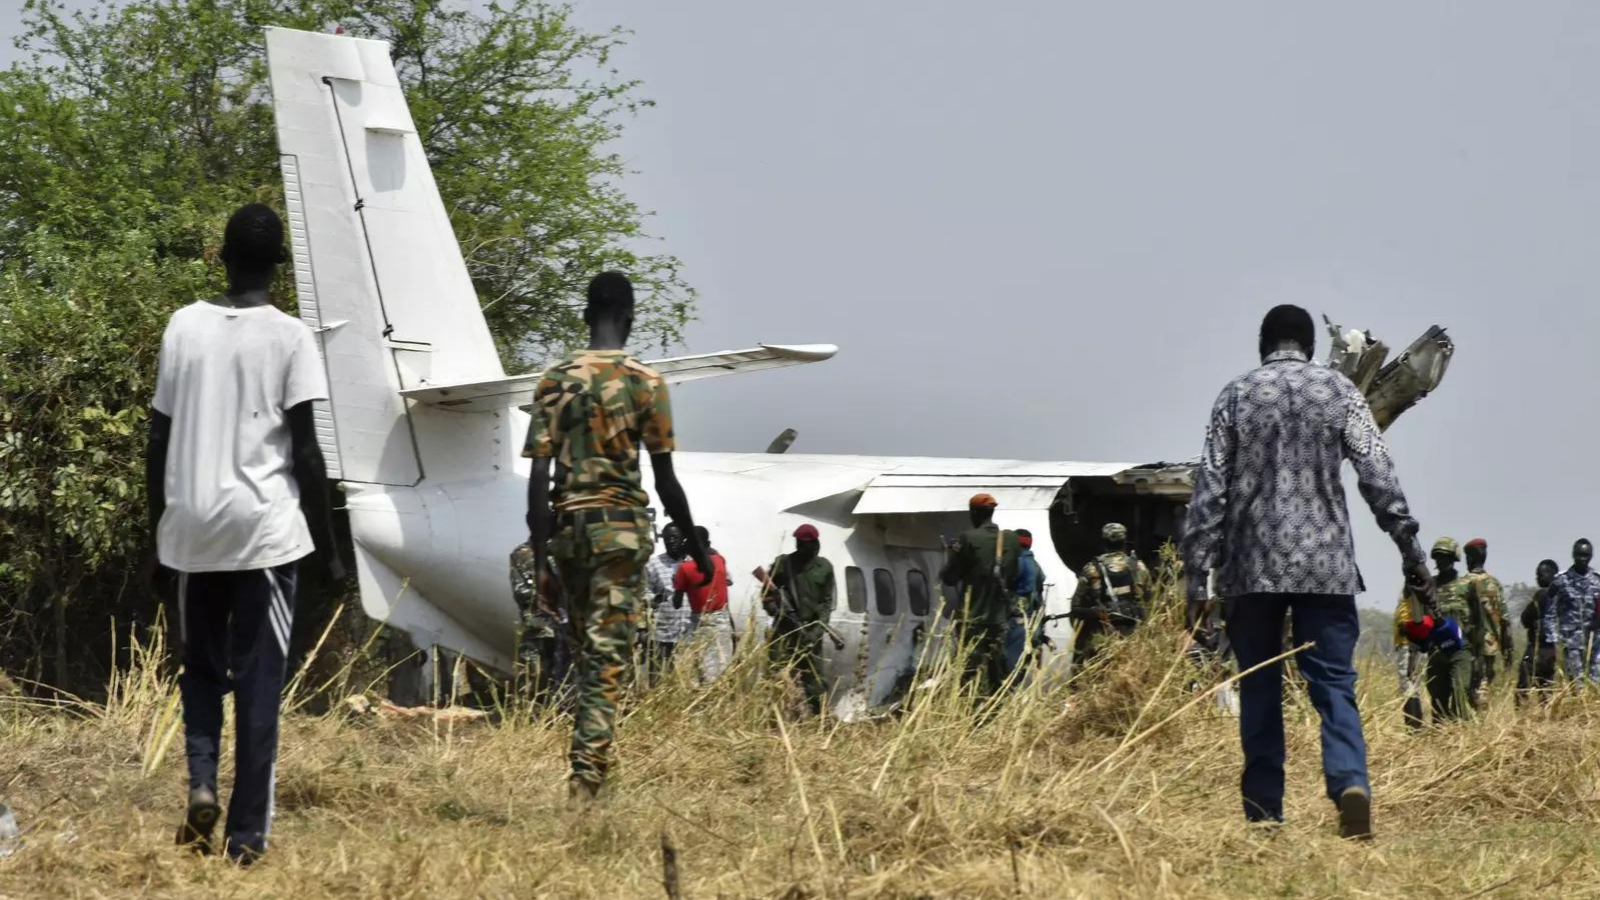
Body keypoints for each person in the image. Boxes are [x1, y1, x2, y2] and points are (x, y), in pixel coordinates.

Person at [1181, 304, 1431, 840]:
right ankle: (1349, 784)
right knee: (1334, 684)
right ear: (1311, 345)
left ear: (1263, 343)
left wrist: (1195, 576)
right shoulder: (1340, 392)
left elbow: (1209, 494)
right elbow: (1377, 473)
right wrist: (1410, 548)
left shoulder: (1236, 395)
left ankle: (1265, 813)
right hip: (1326, 566)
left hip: (1252, 569)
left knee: (1260, 687)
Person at [147, 204, 344, 863]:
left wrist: (160, 535)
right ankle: (244, 839)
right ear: (276, 269)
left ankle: (202, 783)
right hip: (263, 533)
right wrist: (331, 552)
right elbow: (309, 455)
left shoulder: (183, 326)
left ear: (222, 257)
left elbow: (158, 439)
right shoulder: (290, 338)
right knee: (260, 683)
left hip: (192, 530)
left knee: (199, 672)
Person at [524, 271, 711, 807]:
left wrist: (541, 561)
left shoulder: (553, 380)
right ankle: (585, 782)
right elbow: (666, 480)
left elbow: (538, 480)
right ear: (630, 318)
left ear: (586, 315)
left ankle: (593, 761)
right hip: (621, 533)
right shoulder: (646, 382)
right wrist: (698, 552)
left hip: (569, 533)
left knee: (590, 654)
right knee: (608, 659)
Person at [938, 494, 1021, 697]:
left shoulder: (970, 538)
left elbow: (949, 577)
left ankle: (971, 715)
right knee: (998, 674)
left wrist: (955, 554)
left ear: (973, 513)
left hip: (974, 619)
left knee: (968, 675)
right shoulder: (1010, 539)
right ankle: (997, 713)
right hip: (1000, 619)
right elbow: (1014, 577)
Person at [762, 524, 837, 716]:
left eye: (806, 544)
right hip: (784, 629)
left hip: (811, 629)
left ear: (815, 544)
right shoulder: (784, 563)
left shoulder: (824, 567)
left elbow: (827, 603)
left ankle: (818, 718)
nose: (801, 547)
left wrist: (816, 632)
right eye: (799, 543)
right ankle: (776, 717)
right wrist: (776, 611)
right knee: (775, 672)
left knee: (815, 679)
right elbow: (766, 592)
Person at [1068, 523, 1151, 672]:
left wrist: (1094, 614)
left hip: (1102, 636)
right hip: (1134, 637)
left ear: (1104, 542)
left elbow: (1076, 607)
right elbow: (1150, 599)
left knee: (1101, 677)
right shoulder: (1139, 566)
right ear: (1124, 541)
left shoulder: (1092, 569)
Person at [510, 541, 570, 704]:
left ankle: (559, 714)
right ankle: (531, 715)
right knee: (533, 676)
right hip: (537, 629)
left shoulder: (567, 550)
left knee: (563, 677)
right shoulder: (523, 553)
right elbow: (521, 593)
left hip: (563, 629)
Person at [1422, 538, 1475, 721]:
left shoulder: (1467, 587)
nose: (1441, 562)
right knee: (1438, 702)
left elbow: (1479, 623)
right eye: (1438, 558)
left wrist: (1482, 657)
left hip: (1461, 649)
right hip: (1436, 652)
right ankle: (1440, 743)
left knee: (1461, 693)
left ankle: (1464, 739)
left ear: (1454, 559)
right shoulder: (1428, 587)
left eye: (1445, 557)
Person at [674, 526, 735, 683]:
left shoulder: (684, 568)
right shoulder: (720, 560)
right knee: (722, 668)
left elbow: (677, 603)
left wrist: (679, 583)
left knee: (700, 669)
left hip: (700, 622)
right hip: (722, 619)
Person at [1460, 538, 1511, 711]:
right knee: (1483, 684)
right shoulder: (1494, 584)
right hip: (1490, 645)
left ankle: (1476, 724)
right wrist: (1507, 651)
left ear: (1470, 558)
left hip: (1468, 645)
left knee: (1470, 687)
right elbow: (1505, 620)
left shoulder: (1462, 584)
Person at [643, 523, 692, 685]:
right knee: (656, 674)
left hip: (687, 630)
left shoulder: (692, 563)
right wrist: (654, 598)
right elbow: (643, 590)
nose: (671, 541)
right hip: (661, 630)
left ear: (683, 539)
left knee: (682, 676)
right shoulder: (654, 564)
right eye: (667, 538)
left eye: (675, 538)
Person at [1547, 539, 1600, 684]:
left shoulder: (1597, 581)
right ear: (1573, 555)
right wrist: (1554, 639)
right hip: (1571, 642)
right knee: (1577, 683)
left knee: (1596, 682)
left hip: (1594, 641)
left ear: (1591, 556)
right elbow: (1550, 613)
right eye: (1579, 554)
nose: (1582, 558)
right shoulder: (1561, 581)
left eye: (1586, 555)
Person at [1004, 529, 1046, 677]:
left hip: (1017, 622)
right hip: (1033, 623)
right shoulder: (1035, 565)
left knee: (1011, 670)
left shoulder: (1018, 563)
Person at [1517, 559, 1561, 700]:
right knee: (1546, 689)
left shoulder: (1543, 594)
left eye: (1541, 575)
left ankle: (1521, 715)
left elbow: (1525, 618)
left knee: (1523, 687)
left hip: (1537, 649)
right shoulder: (1562, 596)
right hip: (1552, 651)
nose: (1538, 578)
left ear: (1553, 576)